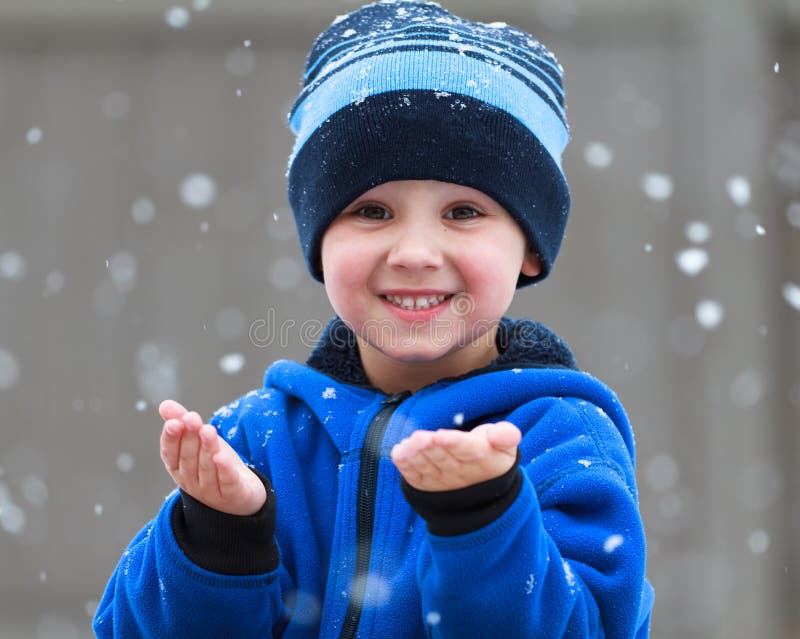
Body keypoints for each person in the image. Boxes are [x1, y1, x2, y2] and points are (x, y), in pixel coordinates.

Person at [93, 1, 654, 637]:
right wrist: (220, 539)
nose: (414, 253)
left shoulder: (561, 438)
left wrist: (485, 521)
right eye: (372, 211)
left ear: (529, 248)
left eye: (464, 212)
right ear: (319, 244)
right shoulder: (257, 441)